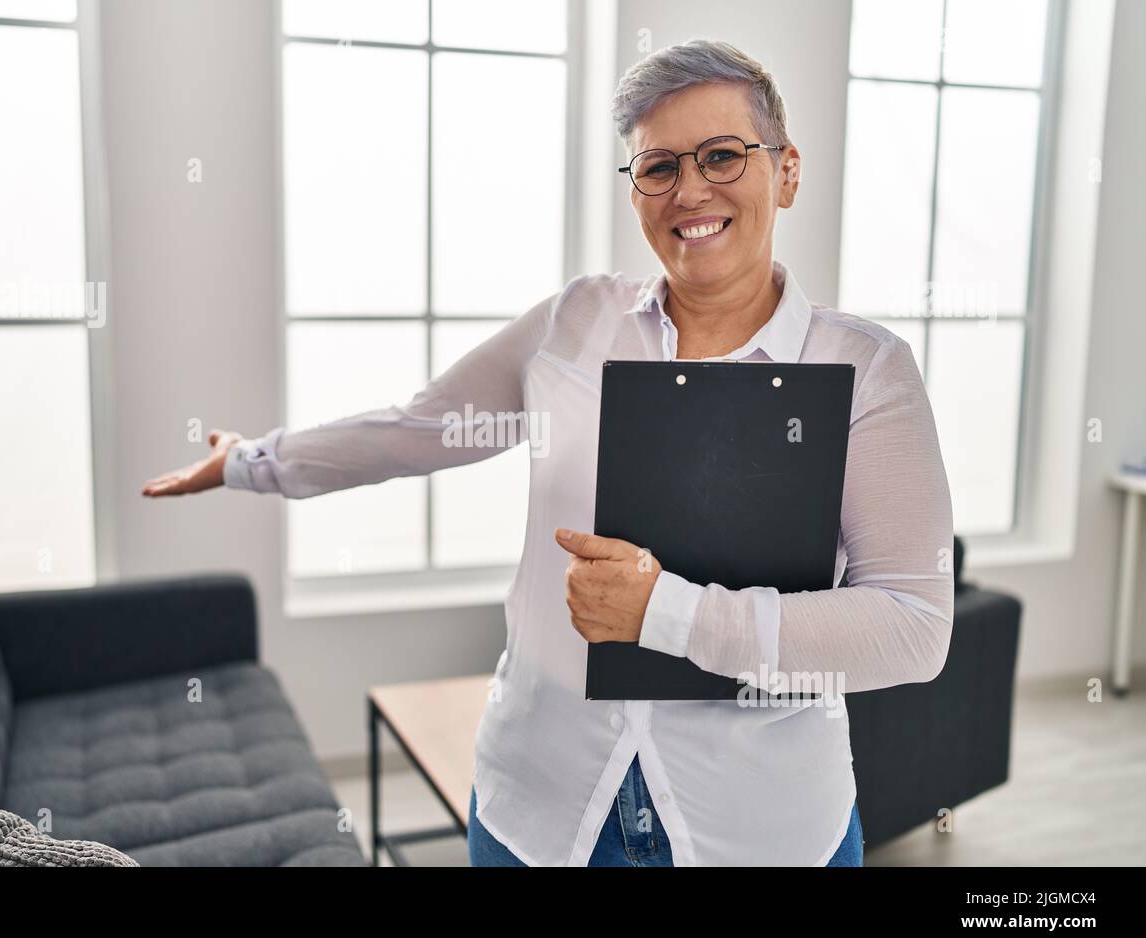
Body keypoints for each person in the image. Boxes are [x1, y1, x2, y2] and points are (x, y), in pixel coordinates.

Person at [142, 38, 954, 867]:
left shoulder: (867, 369)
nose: (691, 189)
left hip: (760, 829)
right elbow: (419, 427)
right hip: (542, 807)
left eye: (721, 156)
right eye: (658, 167)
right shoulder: (575, 324)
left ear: (785, 171)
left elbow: (914, 627)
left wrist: (667, 615)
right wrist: (251, 460)